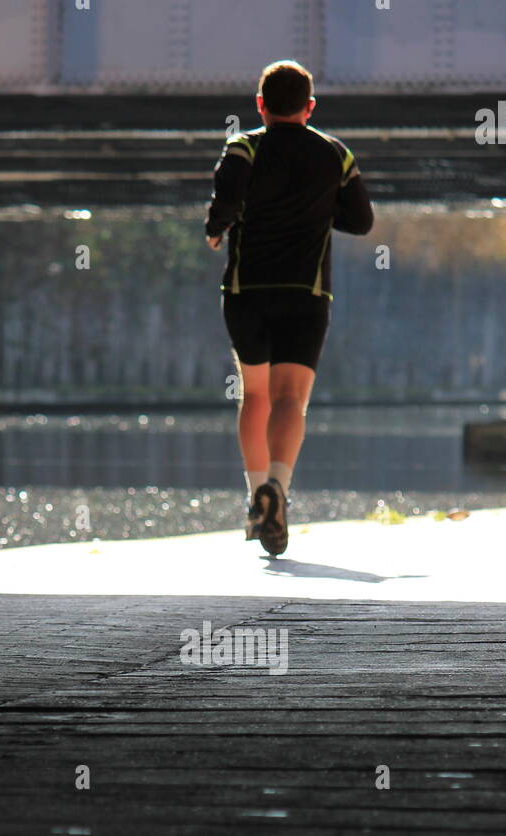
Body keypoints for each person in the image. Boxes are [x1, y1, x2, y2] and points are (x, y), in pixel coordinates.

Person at [205, 59, 374, 556]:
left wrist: (216, 227)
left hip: (246, 292)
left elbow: (227, 197)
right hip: (306, 293)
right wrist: (319, 210)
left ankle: (257, 495)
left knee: (254, 396)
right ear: (310, 107)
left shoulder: (245, 146)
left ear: (260, 105)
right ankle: (278, 487)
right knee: (289, 400)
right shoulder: (334, 154)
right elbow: (362, 221)